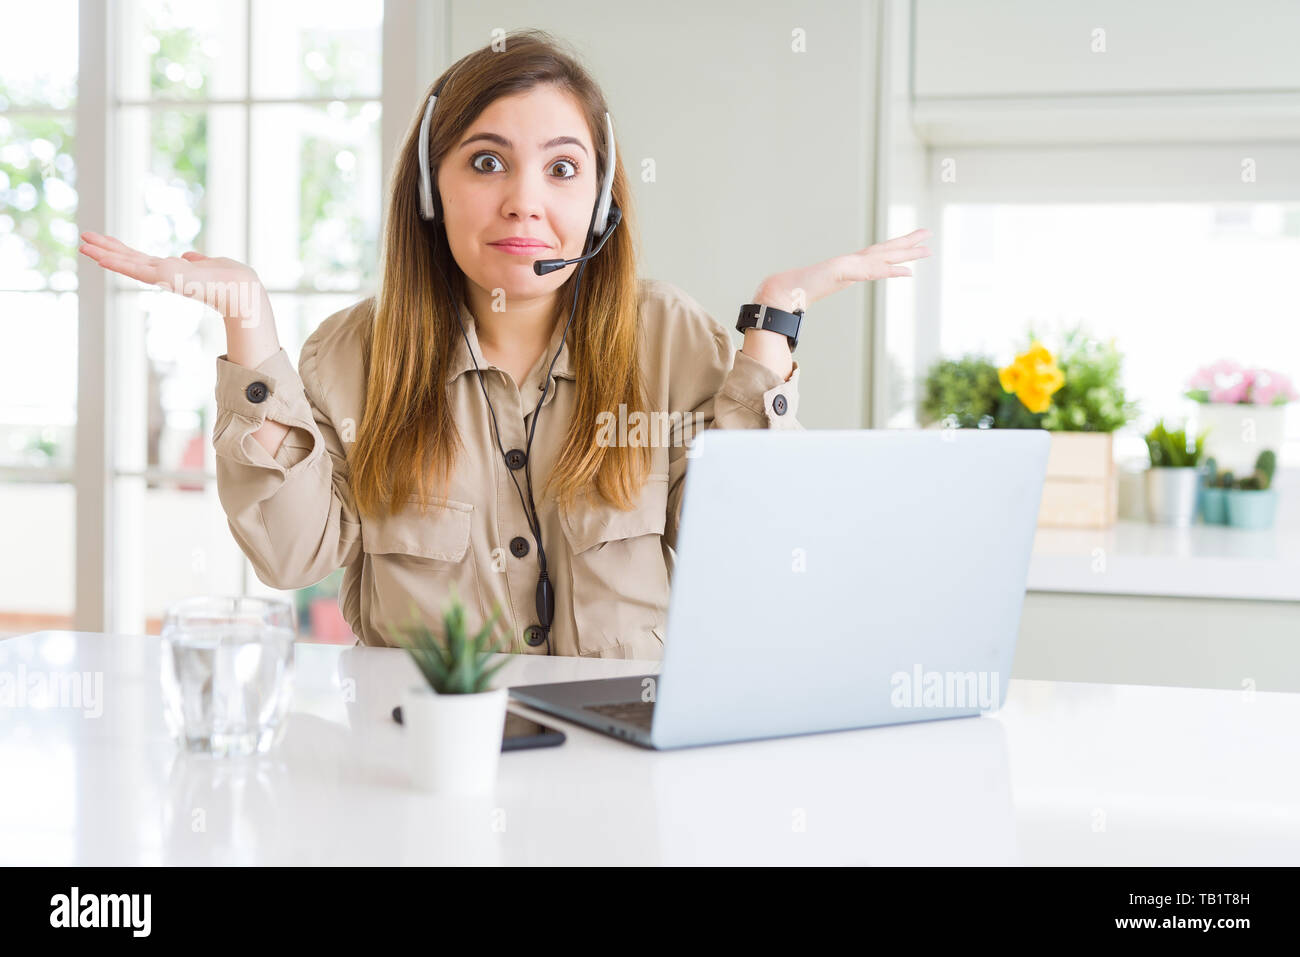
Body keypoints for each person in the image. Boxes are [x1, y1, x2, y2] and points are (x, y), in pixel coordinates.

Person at [79, 29, 930, 658]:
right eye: (486, 163)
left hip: (625, 771)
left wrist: (771, 335)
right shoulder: (349, 355)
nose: (526, 201)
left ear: (600, 203)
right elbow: (293, 554)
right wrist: (250, 330)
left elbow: (749, 553)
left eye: (562, 168)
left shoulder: (670, 337)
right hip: (423, 760)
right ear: (430, 189)